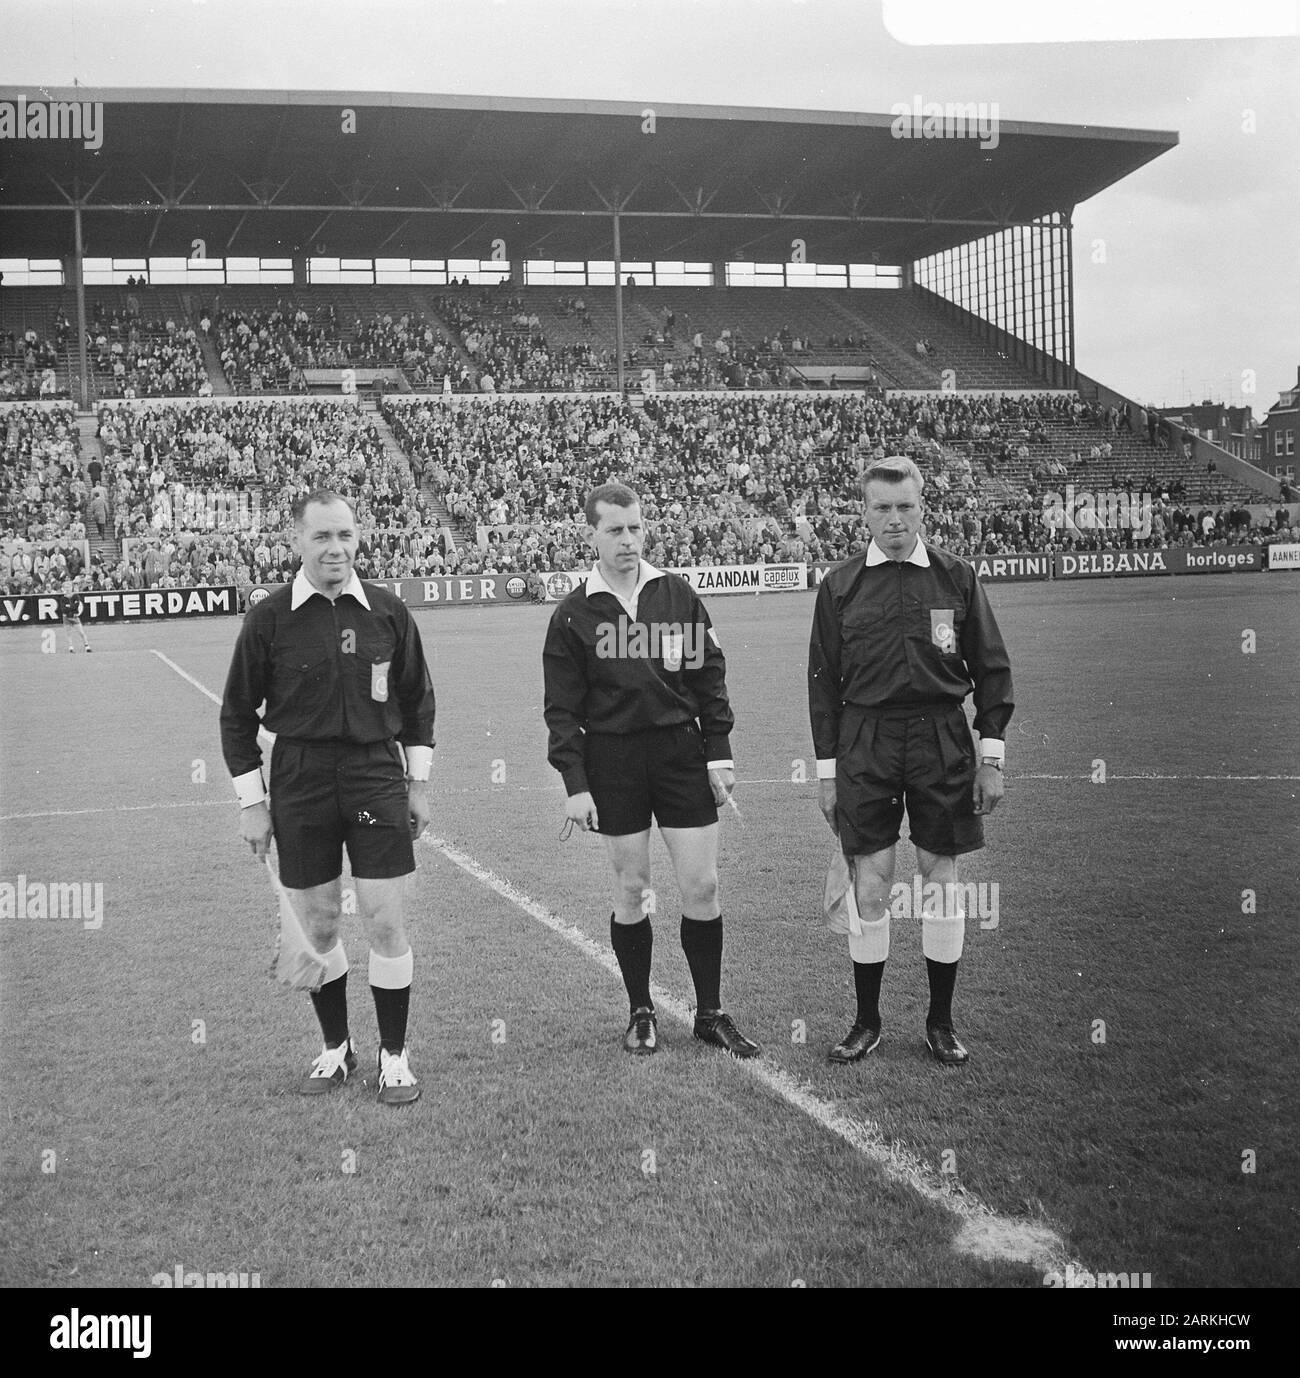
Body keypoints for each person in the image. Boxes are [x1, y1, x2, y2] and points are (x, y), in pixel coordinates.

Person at [219, 489, 436, 1105]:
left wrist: (417, 782)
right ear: (297, 542)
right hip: (300, 776)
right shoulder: (269, 618)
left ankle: (394, 1055)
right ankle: (337, 1048)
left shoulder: (389, 613)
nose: (335, 548)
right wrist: (251, 802)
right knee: (318, 923)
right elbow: (237, 715)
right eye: (321, 537)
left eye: (344, 535)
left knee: (385, 919)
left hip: (374, 773)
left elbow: (418, 704)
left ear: (358, 536)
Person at [543, 481, 759, 1059]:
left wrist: (719, 751)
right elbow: (561, 711)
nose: (628, 539)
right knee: (632, 888)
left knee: (702, 885)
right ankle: (640, 1009)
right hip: (612, 760)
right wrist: (575, 784)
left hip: (680, 754)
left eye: (636, 527)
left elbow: (709, 677)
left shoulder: (675, 595)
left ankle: (709, 1012)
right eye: (615, 529)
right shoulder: (573, 614)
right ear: (590, 534)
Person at [808, 456, 1013, 1067]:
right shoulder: (840, 585)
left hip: (941, 737)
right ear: (864, 512)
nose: (894, 520)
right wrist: (826, 774)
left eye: (905, 507)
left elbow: (992, 668)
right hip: (864, 740)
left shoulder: (956, 577)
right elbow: (822, 685)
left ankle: (940, 1022)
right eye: (881, 508)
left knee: (940, 877)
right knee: (871, 880)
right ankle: (866, 1021)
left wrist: (992, 755)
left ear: (922, 508)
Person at [60, 579, 92, 653]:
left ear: (71, 587)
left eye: (69, 587)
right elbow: (63, 609)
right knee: (68, 633)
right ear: (64, 588)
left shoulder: (76, 596)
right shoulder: (63, 598)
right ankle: (71, 647)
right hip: (66, 617)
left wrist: (68, 607)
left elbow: (76, 606)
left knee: (81, 632)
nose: (67, 589)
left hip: (74, 617)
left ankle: (87, 646)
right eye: (66, 587)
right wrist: (71, 607)